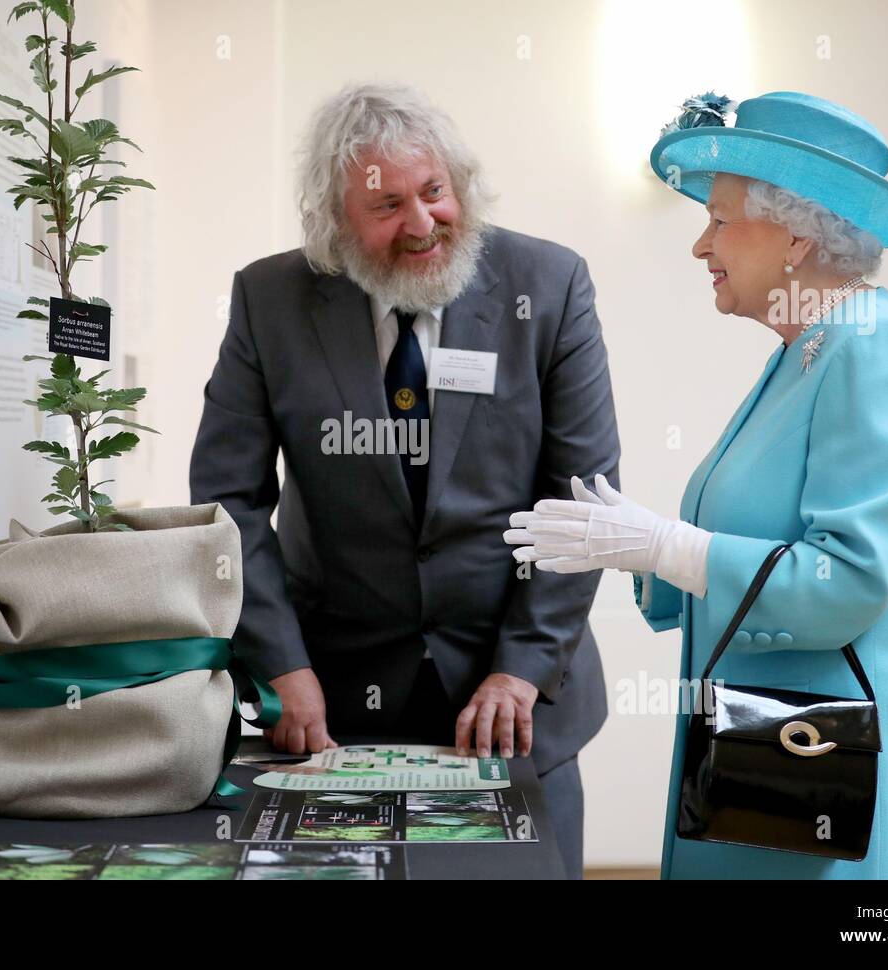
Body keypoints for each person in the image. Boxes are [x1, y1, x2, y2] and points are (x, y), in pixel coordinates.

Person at [507, 91, 888, 878]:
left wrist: (672, 547)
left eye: (719, 219)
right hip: (764, 774)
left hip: (828, 793)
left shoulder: (877, 351)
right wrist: (643, 554)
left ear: (794, 233)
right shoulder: (807, 352)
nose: (700, 245)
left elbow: (848, 581)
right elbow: (755, 544)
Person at [190, 82, 621, 879]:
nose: (422, 224)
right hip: (333, 701)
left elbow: (580, 497)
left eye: (435, 192)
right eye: (387, 205)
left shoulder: (549, 286)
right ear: (335, 223)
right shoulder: (269, 299)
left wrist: (520, 669)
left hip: (514, 701)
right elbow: (229, 501)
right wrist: (282, 665)